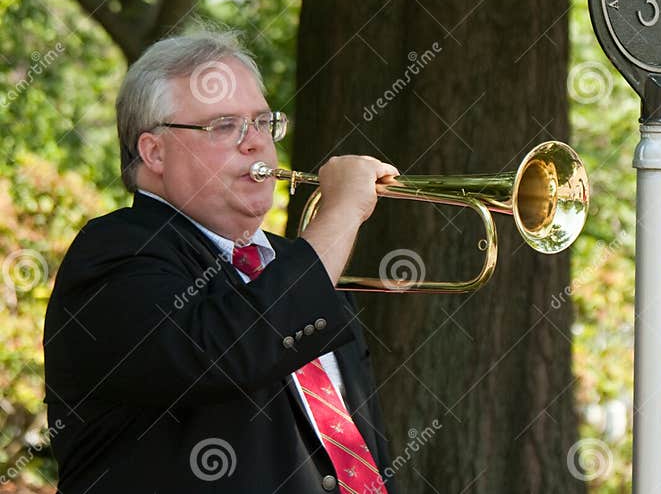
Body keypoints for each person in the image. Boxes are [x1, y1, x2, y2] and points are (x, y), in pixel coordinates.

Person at [43, 31, 401, 493]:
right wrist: (342, 213)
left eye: (262, 123)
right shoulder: (113, 252)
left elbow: (359, 440)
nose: (255, 144)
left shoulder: (298, 264)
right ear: (154, 152)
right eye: (225, 126)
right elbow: (227, 350)